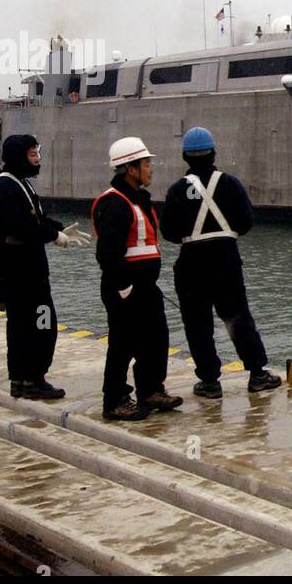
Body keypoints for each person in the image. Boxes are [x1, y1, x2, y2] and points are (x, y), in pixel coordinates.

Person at [160, 127, 278, 398]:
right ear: (213, 153)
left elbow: (168, 231)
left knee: (197, 322)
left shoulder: (178, 189)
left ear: (185, 157)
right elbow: (246, 221)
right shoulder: (230, 183)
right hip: (226, 259)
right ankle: (258, 374)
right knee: (237, 316)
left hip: (191, 262)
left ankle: (210, 381)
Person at [0, 134, 90, 400]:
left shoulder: (22, 185)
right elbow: (19, 225)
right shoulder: (5, 187)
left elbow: (38, 218)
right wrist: (53, 236)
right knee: (39, 322)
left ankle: (25, 378)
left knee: (27, 324)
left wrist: (57, 228)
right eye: (33, 155)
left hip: (29, 270)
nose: (37, 160)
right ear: (19, 157)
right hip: (19, 272)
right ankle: (31, 378)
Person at [91, 137, 182, 421]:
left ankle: (151, 390)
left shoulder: (137, 200)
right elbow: (107, 253)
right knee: (123, 343)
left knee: (156, 337)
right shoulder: (115, 204)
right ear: (130, 169)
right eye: (146, 163)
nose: (151, 169)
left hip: (145, 286)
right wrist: (125, 287)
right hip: (126, 288)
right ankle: (115, 400)